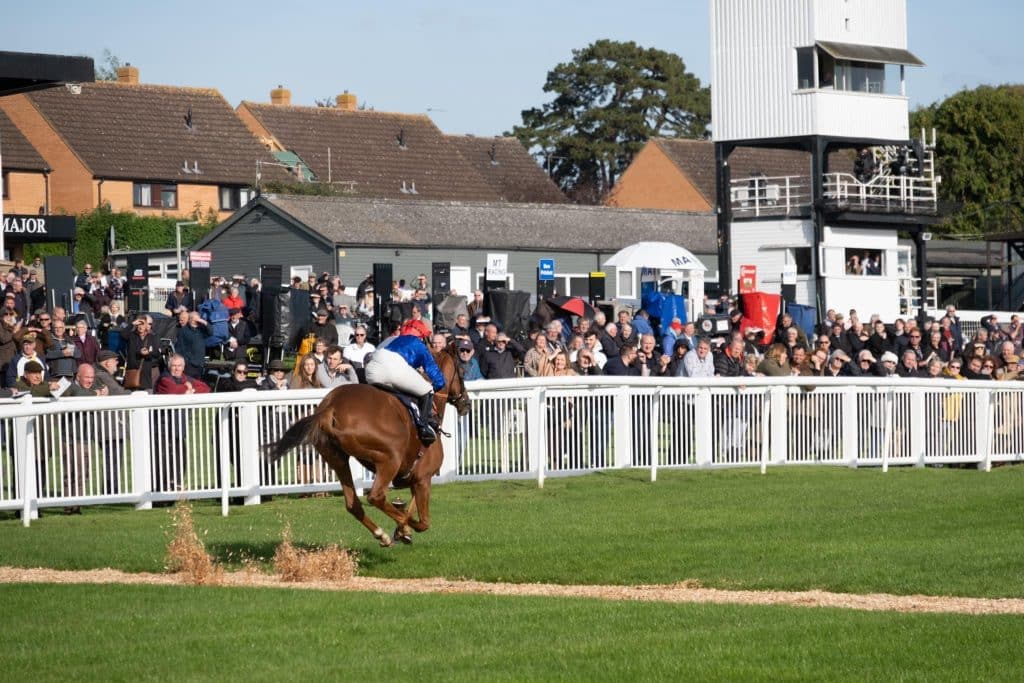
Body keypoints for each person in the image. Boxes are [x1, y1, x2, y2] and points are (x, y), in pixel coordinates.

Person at [364, 331, 445, 445]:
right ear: (423, 338)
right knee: (428, 390)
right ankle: (424, 428)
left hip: (371, 370)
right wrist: (435, 387)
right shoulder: (419, 344)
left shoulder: (391, 339)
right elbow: (438, 378)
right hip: (394, 368)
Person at [152, 354, 211, 492]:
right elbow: (172, 390)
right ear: (169, 366)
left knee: (180, 459)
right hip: (162, 429)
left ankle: (177, 485)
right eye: (174, 365)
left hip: (179, 430)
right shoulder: (164, 378)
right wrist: (187, 389)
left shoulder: (185, 378)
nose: (177, 369)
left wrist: (192, 390)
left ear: (183, 367)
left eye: (179, 366)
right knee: (163, 461)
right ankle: (162, 490)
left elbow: (206, 388)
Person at [125, 315, 158, 391]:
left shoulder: (152, 337)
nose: (140, 326)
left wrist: (148, 353)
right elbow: (123, 334)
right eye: (139, 324)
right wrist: (133, 323)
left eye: (142, 324)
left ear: (147, 325)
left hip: (145, 373)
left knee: (145, 397)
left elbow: (157, 354)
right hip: (132, 371)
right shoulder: (132, 335)